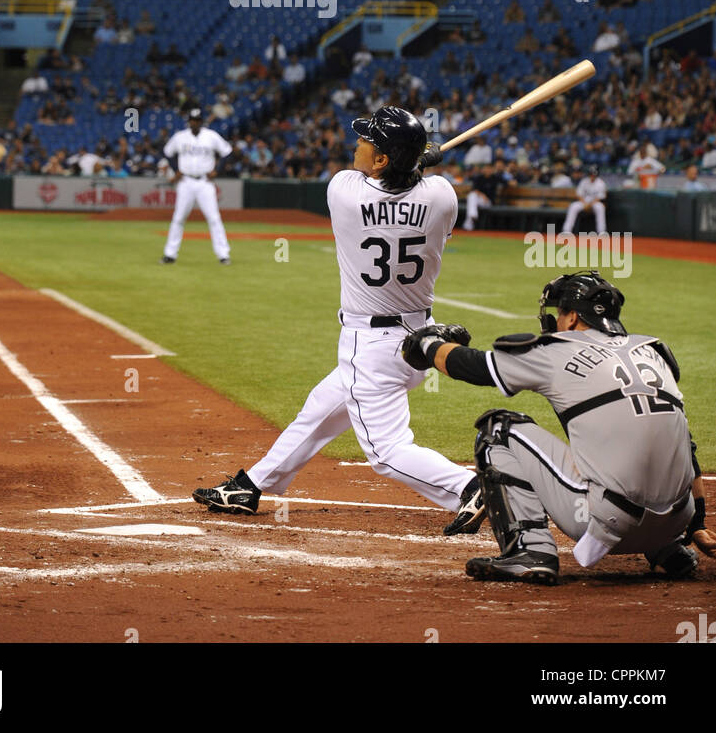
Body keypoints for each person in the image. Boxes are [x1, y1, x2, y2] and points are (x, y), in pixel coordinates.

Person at [191, 108, 484, 528]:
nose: (357, 145)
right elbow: (417, 188)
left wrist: (413, 162)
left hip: (373, 346)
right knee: (320, 409)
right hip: (419, 337)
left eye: (367, 142)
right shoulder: (442, 196)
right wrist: (412, 165)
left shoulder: (343, 191)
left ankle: (468, 488)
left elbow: (383, 183)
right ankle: (250, 485)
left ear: (382, 160)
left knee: (386, 451)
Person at [401, 272, 715, 584]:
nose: (555, 320)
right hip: (679, 520)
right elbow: (686, 447)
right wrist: (697, 521)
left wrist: (430, 344)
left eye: (560, 312)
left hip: (609, 524)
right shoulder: (654, 353)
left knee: (498, 429)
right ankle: (666, 550)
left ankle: (529, 551)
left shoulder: (558, 350)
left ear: (575, 317)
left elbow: (474, 367)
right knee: (630, 434)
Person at [160, 109, 232, 265]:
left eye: (197, 120)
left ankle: (223, 254)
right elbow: (167, 152)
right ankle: (170, 254)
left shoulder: (211, 136)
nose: (195, 122)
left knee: (214, 218)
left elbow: (227, 152)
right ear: (189, 121)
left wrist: (217, 171)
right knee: (178, 218)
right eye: (192, 119)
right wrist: (176, 169)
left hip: (205, 182)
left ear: (201, 121)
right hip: (185, 182)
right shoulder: (180, 137)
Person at [562, 165, 608, 235]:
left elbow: (600, 197)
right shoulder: (584, 181)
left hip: (595, 203)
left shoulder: (601, 183)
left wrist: (589, 204)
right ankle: (566, 230)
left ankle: (601, 231)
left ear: (597, 175)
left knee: (600, 207)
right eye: (591, 174)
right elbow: (579, 194)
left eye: (593, 174)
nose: (592, 176)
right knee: (573, 206)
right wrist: (584, 203)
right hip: (584, 202)